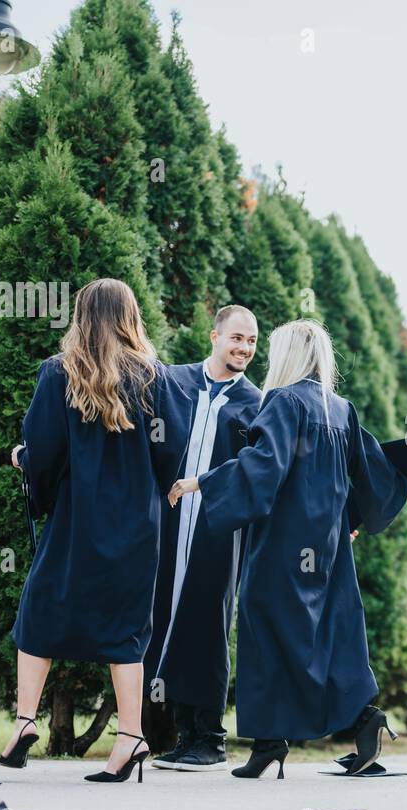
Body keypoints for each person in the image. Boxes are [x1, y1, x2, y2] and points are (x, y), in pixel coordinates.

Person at [169, 320, 407, 778]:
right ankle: (332, 727)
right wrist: (401, 479)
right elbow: (370, 472)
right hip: (328, 547)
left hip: (282, 544)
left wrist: (203, 481)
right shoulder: (339, 408)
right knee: (320, 637)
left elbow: (263, 465)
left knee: (268, 633)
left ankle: (279, 741)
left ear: (287, 355)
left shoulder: (283, 401)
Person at [2, 277, 188, 783]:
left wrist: (27, 466)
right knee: (127, 628)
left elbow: (42, 450)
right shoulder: (159, 379)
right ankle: (131, 736)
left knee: (40, 609)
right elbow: (169, 450)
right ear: (131, 317)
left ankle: (24, 722)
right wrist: (162, 486)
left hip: (77, 519)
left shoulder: (59, 373)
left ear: (82, 317)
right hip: (136, 524)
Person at [145, 305, 262, 771]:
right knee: (163, 616)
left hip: (217, 531)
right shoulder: (173, 383)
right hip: (168, 526)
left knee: (207, 625)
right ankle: (182, 733)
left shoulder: (255, 403)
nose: (244, 348)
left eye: (252, 342)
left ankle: (210, 737)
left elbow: (256, 470)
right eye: (237, 338)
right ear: (214, 336)